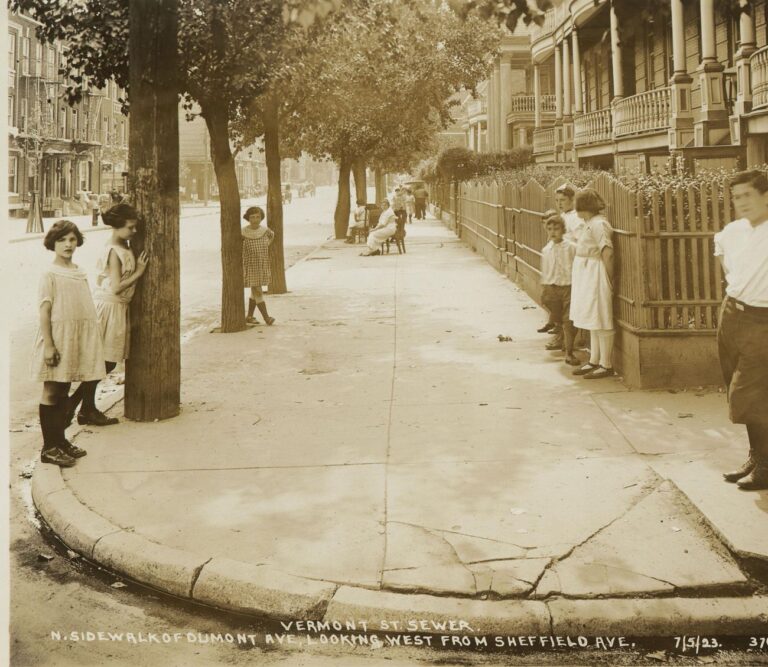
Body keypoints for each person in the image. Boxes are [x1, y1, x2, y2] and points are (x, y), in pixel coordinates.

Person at [66, 203, 149, 427]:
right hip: (110, 306)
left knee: (106, 362)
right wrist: (140, 272)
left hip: (117, 307)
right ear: (117, 227)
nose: (134, 231)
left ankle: (83, 408)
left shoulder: (124, 245)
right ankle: (77, 406)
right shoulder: (114, 250)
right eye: (130, 227)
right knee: (105, 362)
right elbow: (115, 287)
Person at [31, 220, 105, 467]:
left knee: (64, 389)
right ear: (53, 242)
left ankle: (60, 441)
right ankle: (48, 447)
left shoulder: (79, 271)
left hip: (76, 339)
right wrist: (50, 345)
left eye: (72, 239)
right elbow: (45, 311)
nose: (68, 244)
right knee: (52, 390)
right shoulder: (49, 273)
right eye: (62, 240)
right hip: (58, 338)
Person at [714, 169, 768, 491]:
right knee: (737, 386)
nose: (740, 202)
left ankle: (766, 466)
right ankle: (756, 454)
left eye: (747, 195)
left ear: (765, 195)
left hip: (763, 320)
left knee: (747, 393)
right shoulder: (732, 231)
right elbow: (724, 259)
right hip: (733, 314)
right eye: (736, 197)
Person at [569, 189, 615, 379]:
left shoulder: (599, 224)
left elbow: (607, 252)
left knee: (601, 316)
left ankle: (606, 364)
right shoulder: (589, 223)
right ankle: (594, 360)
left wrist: (610, 280)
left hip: (595, 272)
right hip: (586, 273)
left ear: (584, 206)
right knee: (592, 318)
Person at [540, 214, 579, 366]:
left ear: (563, 230)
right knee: (559, 319)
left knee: (569, 321)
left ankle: (569, 353)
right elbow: (545, 271)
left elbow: (577, 266)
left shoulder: (572, 248)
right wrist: (545, 288)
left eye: (556, 228)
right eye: (549, 229)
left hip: (569, 287)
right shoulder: (546, 250)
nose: (553, 232)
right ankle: (561, 335)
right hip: (552, 289)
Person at [242, 206, 276, 325]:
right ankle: (267, 318)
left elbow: (272, 236)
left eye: (258, 217)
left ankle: (250, 316)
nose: (255, 220)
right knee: (258, 291)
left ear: (261, 218)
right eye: (252, 217)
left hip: (261, 264)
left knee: (254, 291)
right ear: (248, 218)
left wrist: (265, 245)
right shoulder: (243, 232)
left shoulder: (265, 231)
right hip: (250, 265)